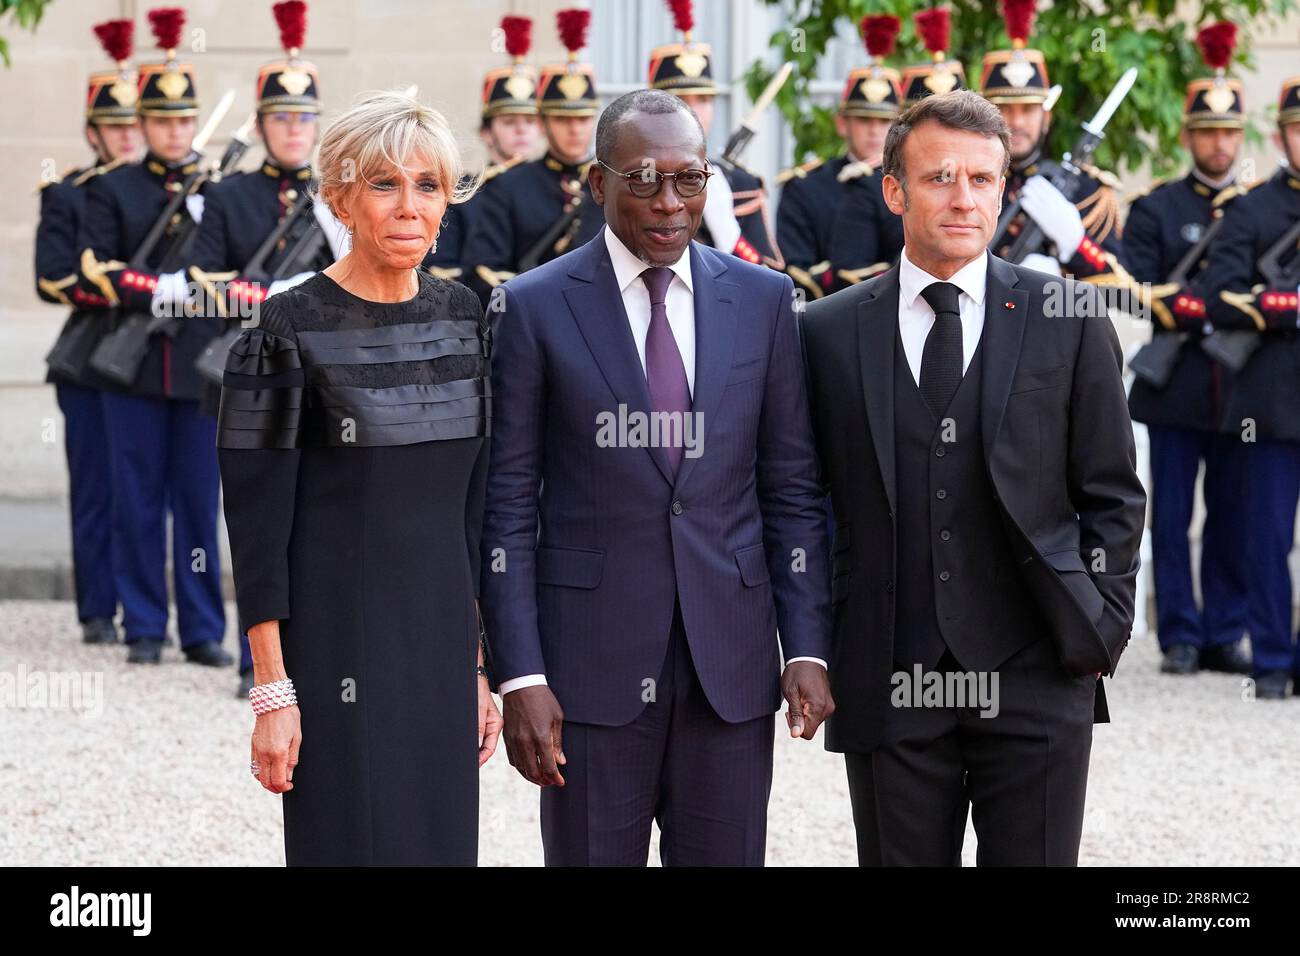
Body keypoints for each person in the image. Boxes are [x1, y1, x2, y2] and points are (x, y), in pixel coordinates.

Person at [481, 89, 832, 867]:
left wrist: (807, 643)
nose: (671, 203)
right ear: (596, 184)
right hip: (586, 678)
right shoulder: (532, 309)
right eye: (642, 180)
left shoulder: (766, 299)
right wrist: (519, 675)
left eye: (690, 179)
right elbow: (506, 507)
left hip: (731, 674)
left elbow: (792, 489)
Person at [801, 90, 1146, 865]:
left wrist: (1102, 621)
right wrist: (814, 643)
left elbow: (1113, 492)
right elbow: (801, 498)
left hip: (1039, 668)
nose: (965, 199)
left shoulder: (1070, 318)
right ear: (894, 189)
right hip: (891, 671)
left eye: (984, 180)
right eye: (939, 178)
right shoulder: (823, 331)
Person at [216, 90, 501, 865]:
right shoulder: (285, 330)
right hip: (338, 650)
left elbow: (473, 512)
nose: (409, 207)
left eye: (428, 185)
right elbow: (258, 526)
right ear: (339, 197)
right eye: (384, 184)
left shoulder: (466, 315)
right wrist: (274, 691)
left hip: (440, 652)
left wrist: (478, 666)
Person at [187, 0, 342, 697]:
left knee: (320, 515)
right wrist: (283, 292)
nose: (294, 129)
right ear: (260, 124)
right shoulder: (229, 198)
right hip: (253, 379)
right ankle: (260, 657)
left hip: (327, 381)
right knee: (257, 519)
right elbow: (206, 287)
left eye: (305, 117)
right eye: (282, 117)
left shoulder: (337, 198)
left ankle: (314, 648)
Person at [76, 8, 230, 667]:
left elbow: (236, 265)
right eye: (163, 120)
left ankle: (200, 628)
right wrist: (155, 286)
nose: (175, 130)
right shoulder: (111, 189)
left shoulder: (220, 189)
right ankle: (143, 623)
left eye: (184, 120)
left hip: (198, 365)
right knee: (136, 498)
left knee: (198, 502)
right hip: (131, 365)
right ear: (141, 124)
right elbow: (93, 266)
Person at [1122, 22, 1250, 677]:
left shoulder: (1257, 208)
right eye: (1207, 131)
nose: (1218, 142)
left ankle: (1225, 631)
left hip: (1243, 387)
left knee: (1231, 513)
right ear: (1187, 137)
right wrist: (1197, 305)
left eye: (1229, 132)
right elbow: (1135, 282)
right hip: (1175, 385)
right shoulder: (1157, 208)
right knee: (1169, 517)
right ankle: (1177, 632)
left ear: (1243, 137)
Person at [35, 19, 141, 645]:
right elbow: (51, 278)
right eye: (117, 126)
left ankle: (146, 609)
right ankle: (99, 608)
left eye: (137, 125)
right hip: (92, 353)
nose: (128, 137)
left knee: (149, 495)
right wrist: (122, 282)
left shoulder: (177, 191)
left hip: (155, 356)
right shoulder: (69, 194)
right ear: (93, 130)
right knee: (99, 489)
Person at [1201, 73, 1300, 700]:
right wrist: (1288, 305)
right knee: (1266, 536)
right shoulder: (1253, 208)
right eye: (1298, 128)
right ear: (1282, 133)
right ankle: (1271, 657)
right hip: (1272, 399)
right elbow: (1222, 295)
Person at [461, 8, 606, 306]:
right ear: (543, 123)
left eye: (583, 119)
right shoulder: (510, 185)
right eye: (563, 120)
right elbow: (486, 271)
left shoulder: (610, 183)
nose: (575, 129)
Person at [978, 0, 1123, 278]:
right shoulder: (962, 186)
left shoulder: (1088, 192)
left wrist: (1074, 244)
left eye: (1028, 109)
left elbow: (1127, 294)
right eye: (1005, 109)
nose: (1017, 122)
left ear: (1046, 117)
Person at [647, 0, 781, 267]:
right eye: (681, 98)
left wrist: (731, 238)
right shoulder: (626, 178)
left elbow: (769, 279)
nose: (693, 111)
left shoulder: (740, 183)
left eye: (704, 100)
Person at [424, 14, 543, 284]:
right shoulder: (463, 192)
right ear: (486, 133)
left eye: (530, 122)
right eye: (509, 122)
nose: (522, 130)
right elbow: (442, 271)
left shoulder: (559, 186)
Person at [802, 14, 907, 297]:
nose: (874, 131)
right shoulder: (806, 187)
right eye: (863, 120)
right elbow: (797, 272)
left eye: (884, 122)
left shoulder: (914, 184)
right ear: (842, 123)